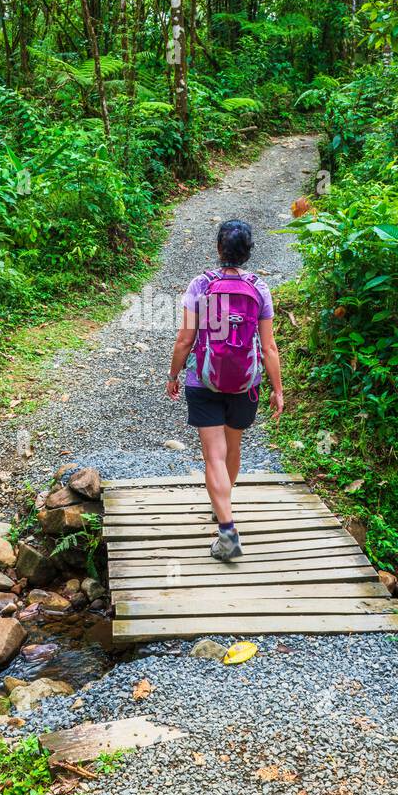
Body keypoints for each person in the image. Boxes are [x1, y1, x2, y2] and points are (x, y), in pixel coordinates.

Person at [165, 219, 284, 561]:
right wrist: (277, 389)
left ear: (219, 248)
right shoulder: (260, 289)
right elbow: (269, 346)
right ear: (248, 253)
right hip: (246, 383)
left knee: (212, 456)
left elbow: (185, 339)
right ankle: (223, 509)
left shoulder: (200, 285)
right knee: (232, 449)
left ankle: (228, 529)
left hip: (204, 380)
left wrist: (173, 374)